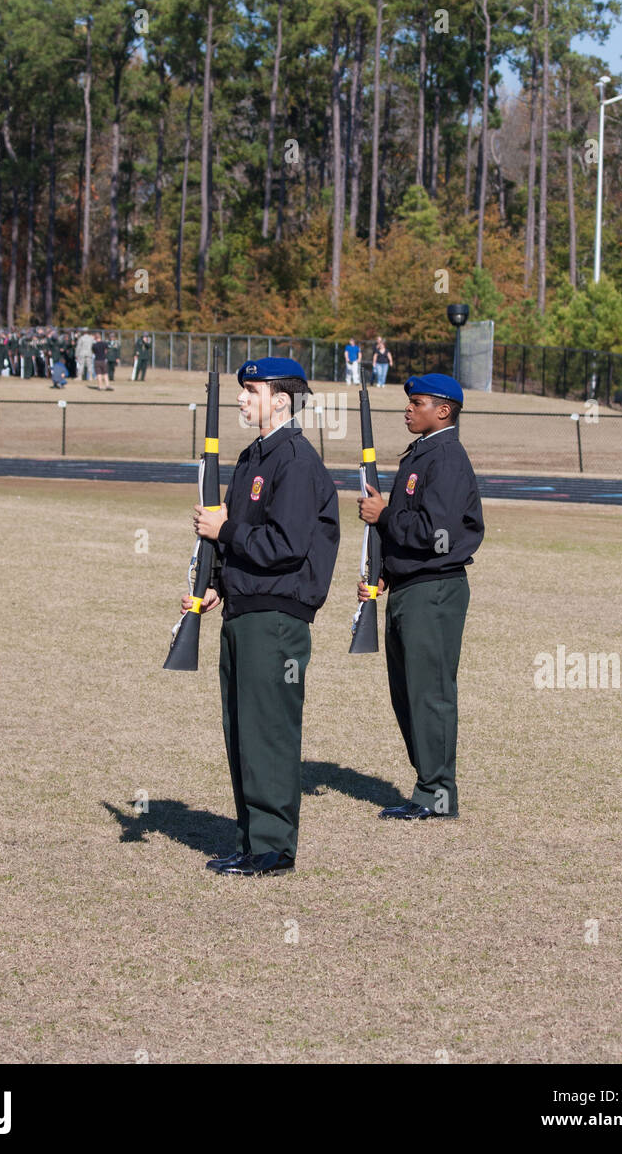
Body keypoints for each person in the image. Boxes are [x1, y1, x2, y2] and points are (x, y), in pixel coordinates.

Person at [184, 357, 340, 877]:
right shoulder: (256, 455)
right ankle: (253, 840)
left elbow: (286, 545)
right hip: (245, 608)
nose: (241, 398)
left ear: (281, 398)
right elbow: (241, 540)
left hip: (276, 614)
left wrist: (221, 532)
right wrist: (213, 587)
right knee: (242, 729)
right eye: (242, 390)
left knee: (268, 729)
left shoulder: (294, 460)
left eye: (251, 389)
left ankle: (273, 847)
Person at [357, 373, 484, 821]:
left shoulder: (445, 457)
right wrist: (387, 572)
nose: (408, 409)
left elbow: (439, 535)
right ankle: (427, 785)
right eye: (409, 402)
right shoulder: (423, 454)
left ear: (444, 410)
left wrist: (385, 515)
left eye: (418, 402)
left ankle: (437, 794)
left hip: (434, 590)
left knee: (429, 692)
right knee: (408, 693)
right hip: (412, 586)